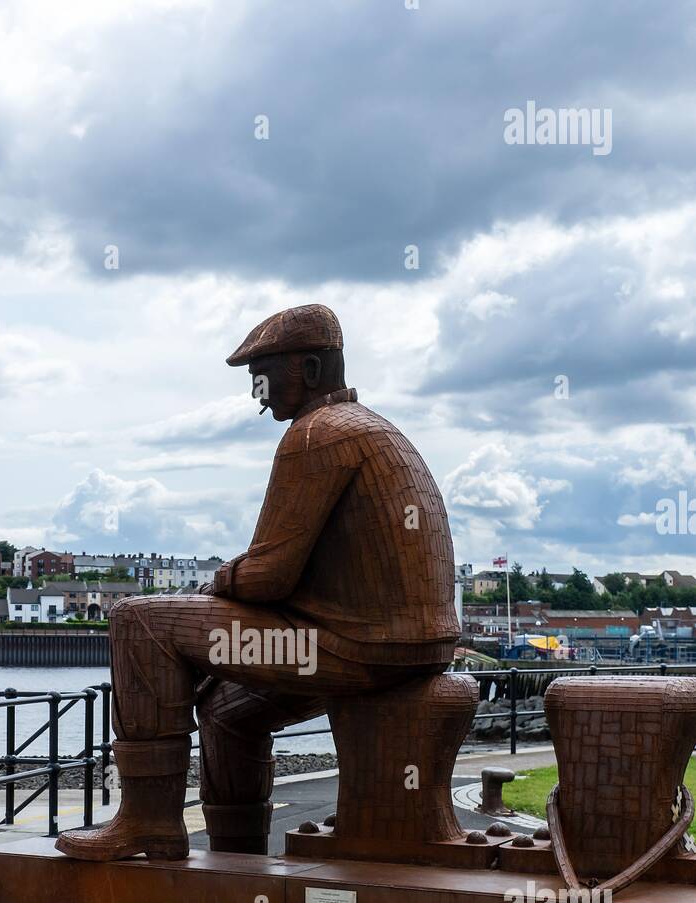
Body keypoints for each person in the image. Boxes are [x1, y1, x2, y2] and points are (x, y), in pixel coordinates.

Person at [56, 303, 459, 860]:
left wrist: (219, 582)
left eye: (263, 378)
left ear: (311, 371)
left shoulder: (318, 434)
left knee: (140, 620)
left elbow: (269, 576)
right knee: (226, 712)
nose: (259, 394)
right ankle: (236, 856)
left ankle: (148, 820)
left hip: (356, 648)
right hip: (407, 645)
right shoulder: (374, 430)